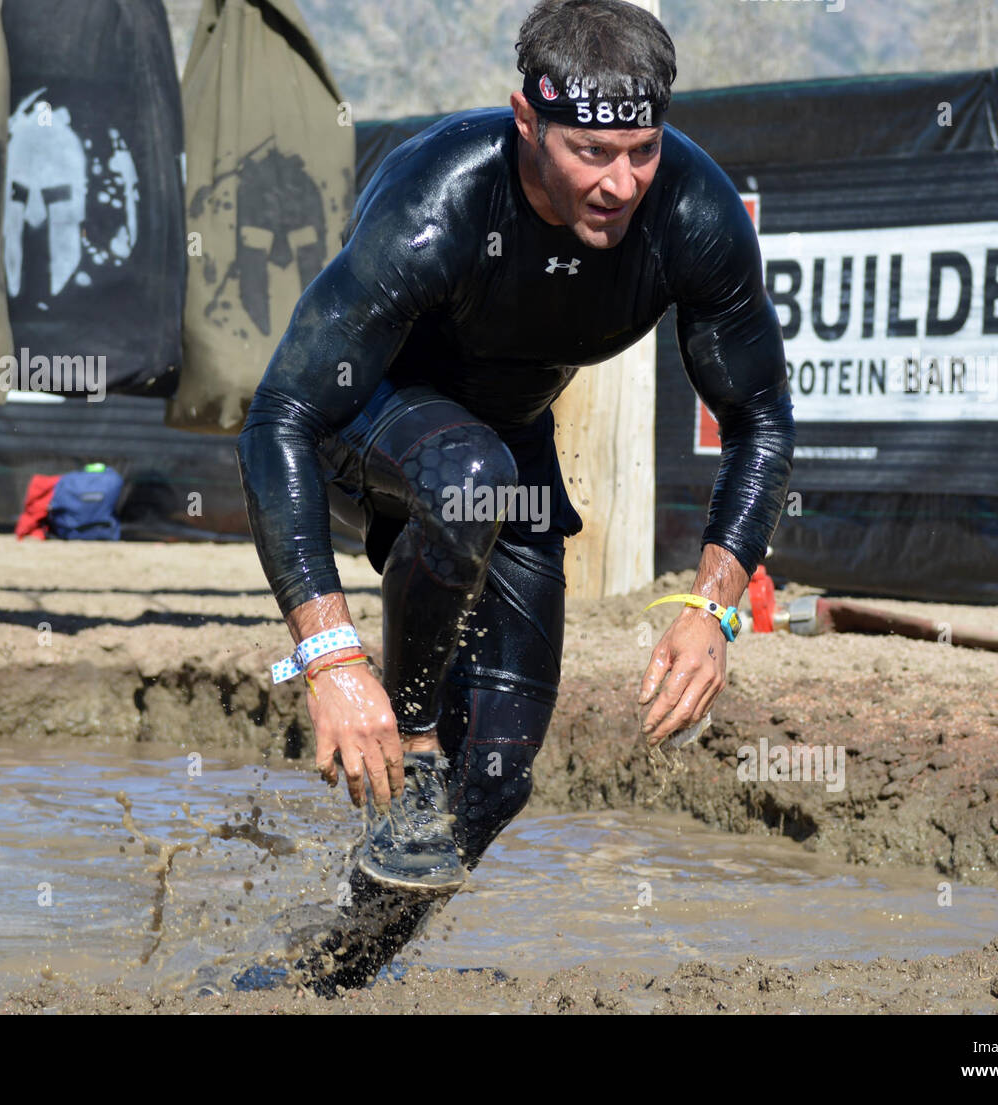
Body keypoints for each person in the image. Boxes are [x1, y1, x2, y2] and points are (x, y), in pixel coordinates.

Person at [234, 0, 795, 993]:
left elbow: (760, 420)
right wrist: (329, 658)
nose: (619, 183)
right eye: (589, 152)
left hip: (506, 453)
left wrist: (713, 607)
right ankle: (411, 744)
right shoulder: (437, 202)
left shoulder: (693, 216)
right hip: (375, 421)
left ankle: (311, 983)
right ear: (525, 121)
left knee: (494, 780)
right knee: (469, 477)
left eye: (640, 149)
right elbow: (278, 413)